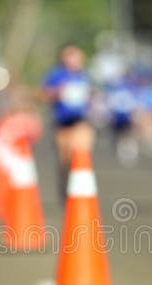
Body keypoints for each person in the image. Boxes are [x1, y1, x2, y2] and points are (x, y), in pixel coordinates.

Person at [43, 44, 94, 202]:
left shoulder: (84, 76)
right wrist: (57, 92)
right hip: (62, 124)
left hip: (80, 122)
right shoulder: (56, 75)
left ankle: (80, 192)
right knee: (64, 161)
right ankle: (65, 191)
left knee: (80, 154)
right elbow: (44, 94)